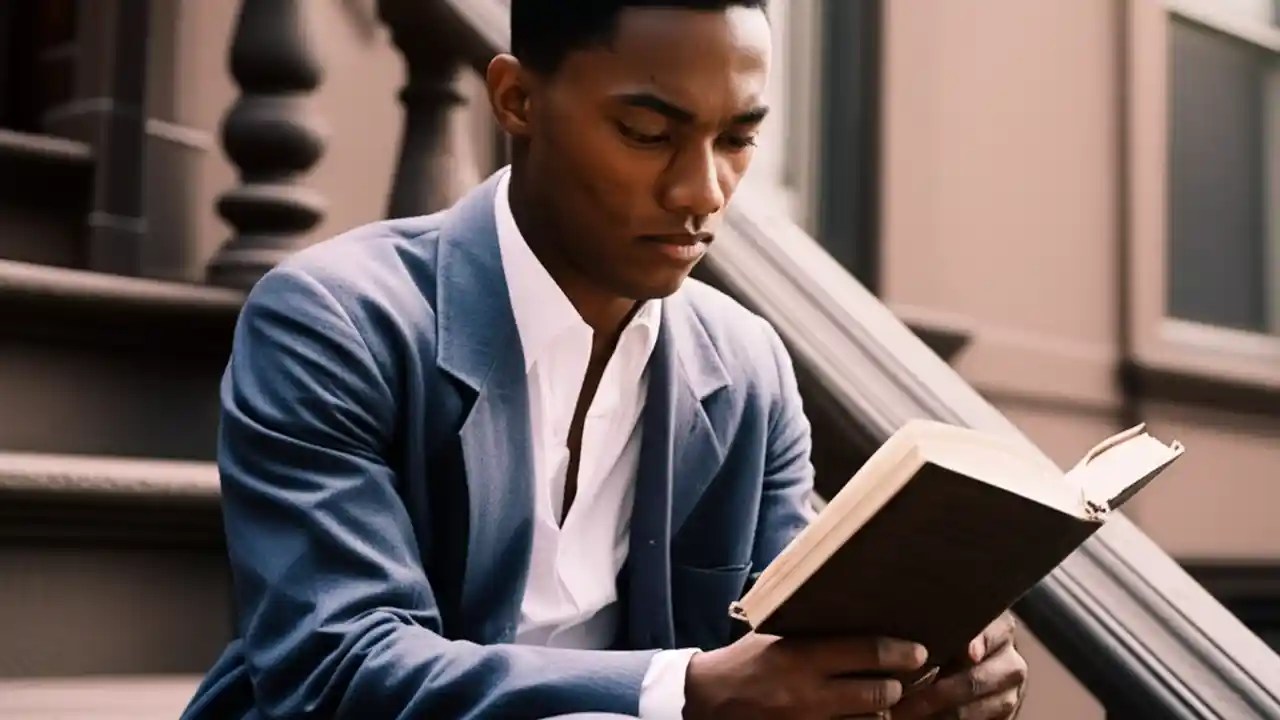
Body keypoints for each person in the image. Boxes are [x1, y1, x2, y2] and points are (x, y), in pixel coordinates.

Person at [180, 1, 1028, 717]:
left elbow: (793, 633)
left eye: (737, 139)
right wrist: (685, 691)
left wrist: (908, 669)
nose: (702, 191)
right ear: (516, 99)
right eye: (649, 132)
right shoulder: (335, 321)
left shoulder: (747, 366)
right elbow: (337, 670)